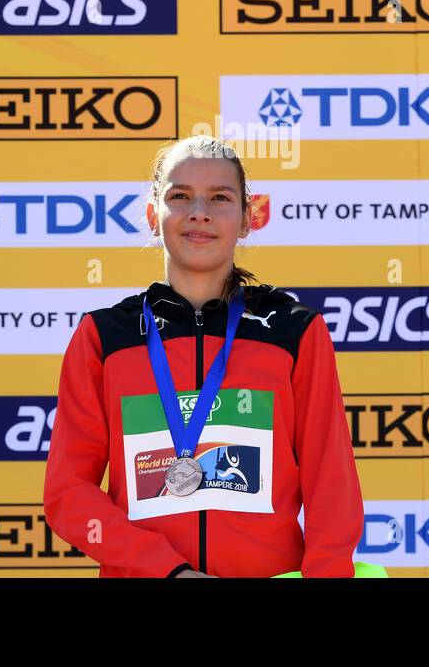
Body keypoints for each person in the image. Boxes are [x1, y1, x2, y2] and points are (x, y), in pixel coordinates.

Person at [43, 134, 364, 577]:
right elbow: (67, 493)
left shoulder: (294, 331)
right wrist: (166, 570)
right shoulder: (105, 337)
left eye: (220, 197)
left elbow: (332, 485)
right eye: (180, 196)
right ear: (154, 215)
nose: (200, 212)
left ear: (248, 218)